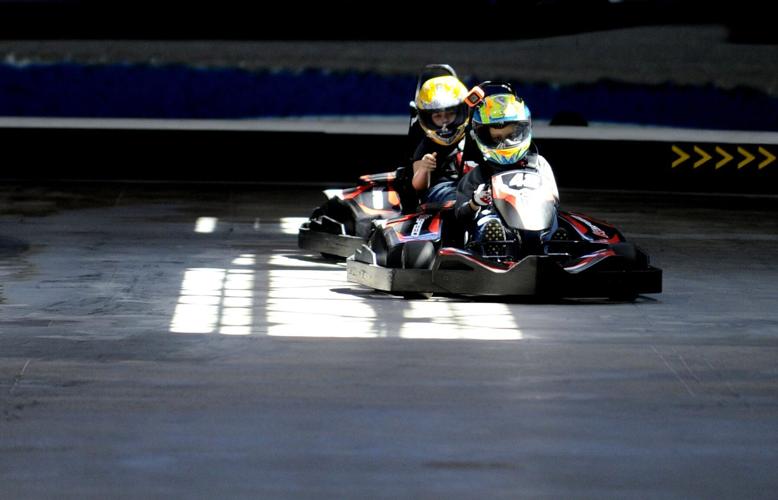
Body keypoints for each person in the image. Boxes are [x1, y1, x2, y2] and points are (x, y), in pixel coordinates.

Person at [455, 82, 559, 251]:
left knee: (554, 218)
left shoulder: (539, 164)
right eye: (497, 138)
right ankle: (494, 247)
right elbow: (460, 214)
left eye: (511, 136)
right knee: (489, 222)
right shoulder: (480, 172)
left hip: (536, 221)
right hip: (499, 228)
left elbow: (554, 201)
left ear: (524, 129)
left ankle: (553, 244)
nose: (505, 144)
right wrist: (476, 202)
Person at [395, 66, 473, 211]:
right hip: (443, 196)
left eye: (450, 114)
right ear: (427, 117)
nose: (444, 121)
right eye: (438, 116)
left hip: (474, 188)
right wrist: (424, 168)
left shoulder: (474, 134)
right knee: (456, 198)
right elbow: (418, 186)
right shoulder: (427, 144)